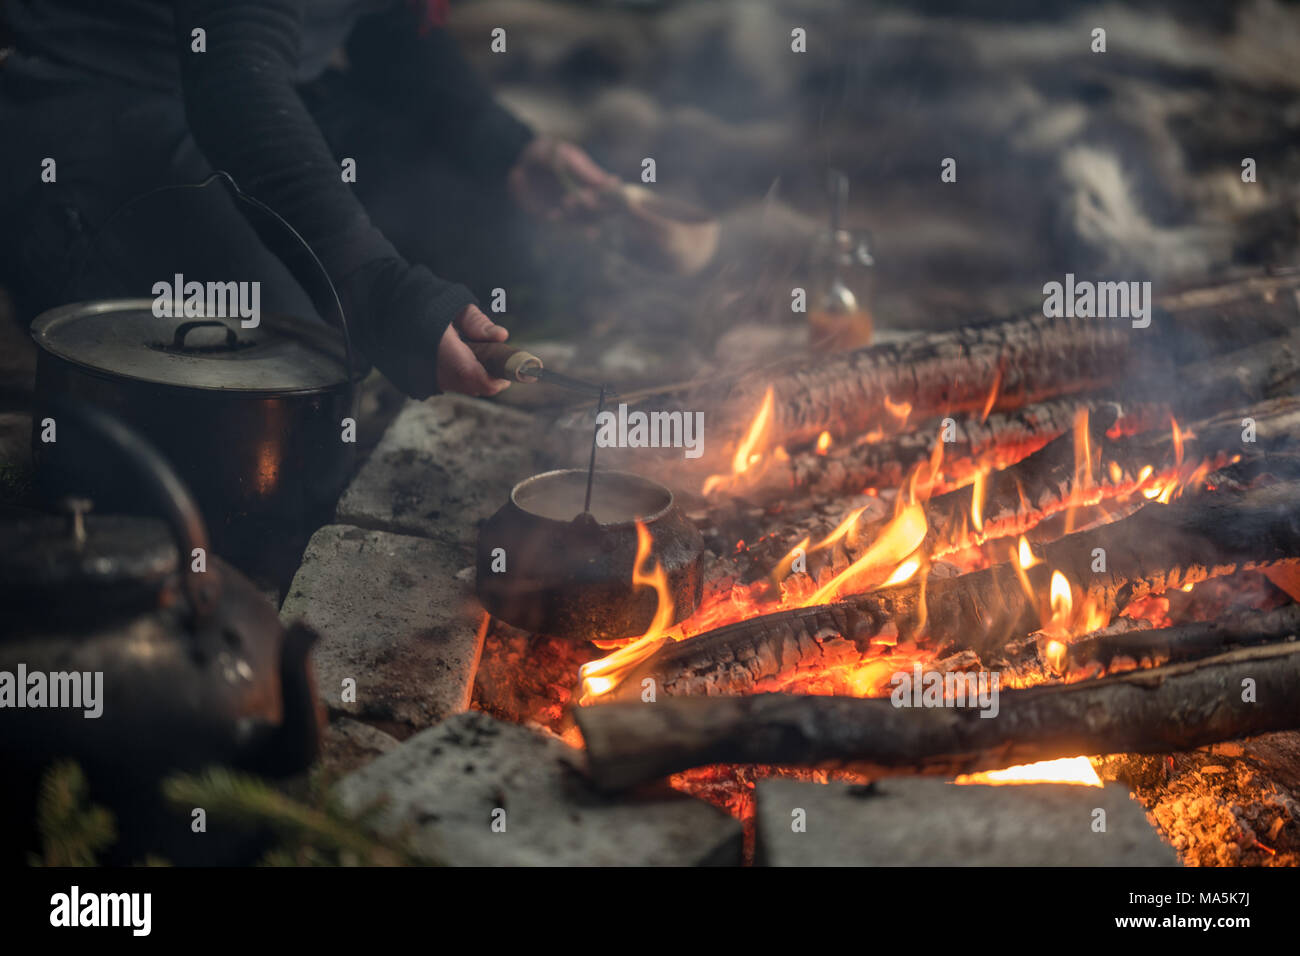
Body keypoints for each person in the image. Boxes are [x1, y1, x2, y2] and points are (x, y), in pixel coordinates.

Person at [0, 0, 616, 398]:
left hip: (259, 78)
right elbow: (231, 74)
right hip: (94, 86)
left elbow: (385, 21)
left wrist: (508, 148)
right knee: (297, 385)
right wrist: (372, 285)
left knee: (504, 242)